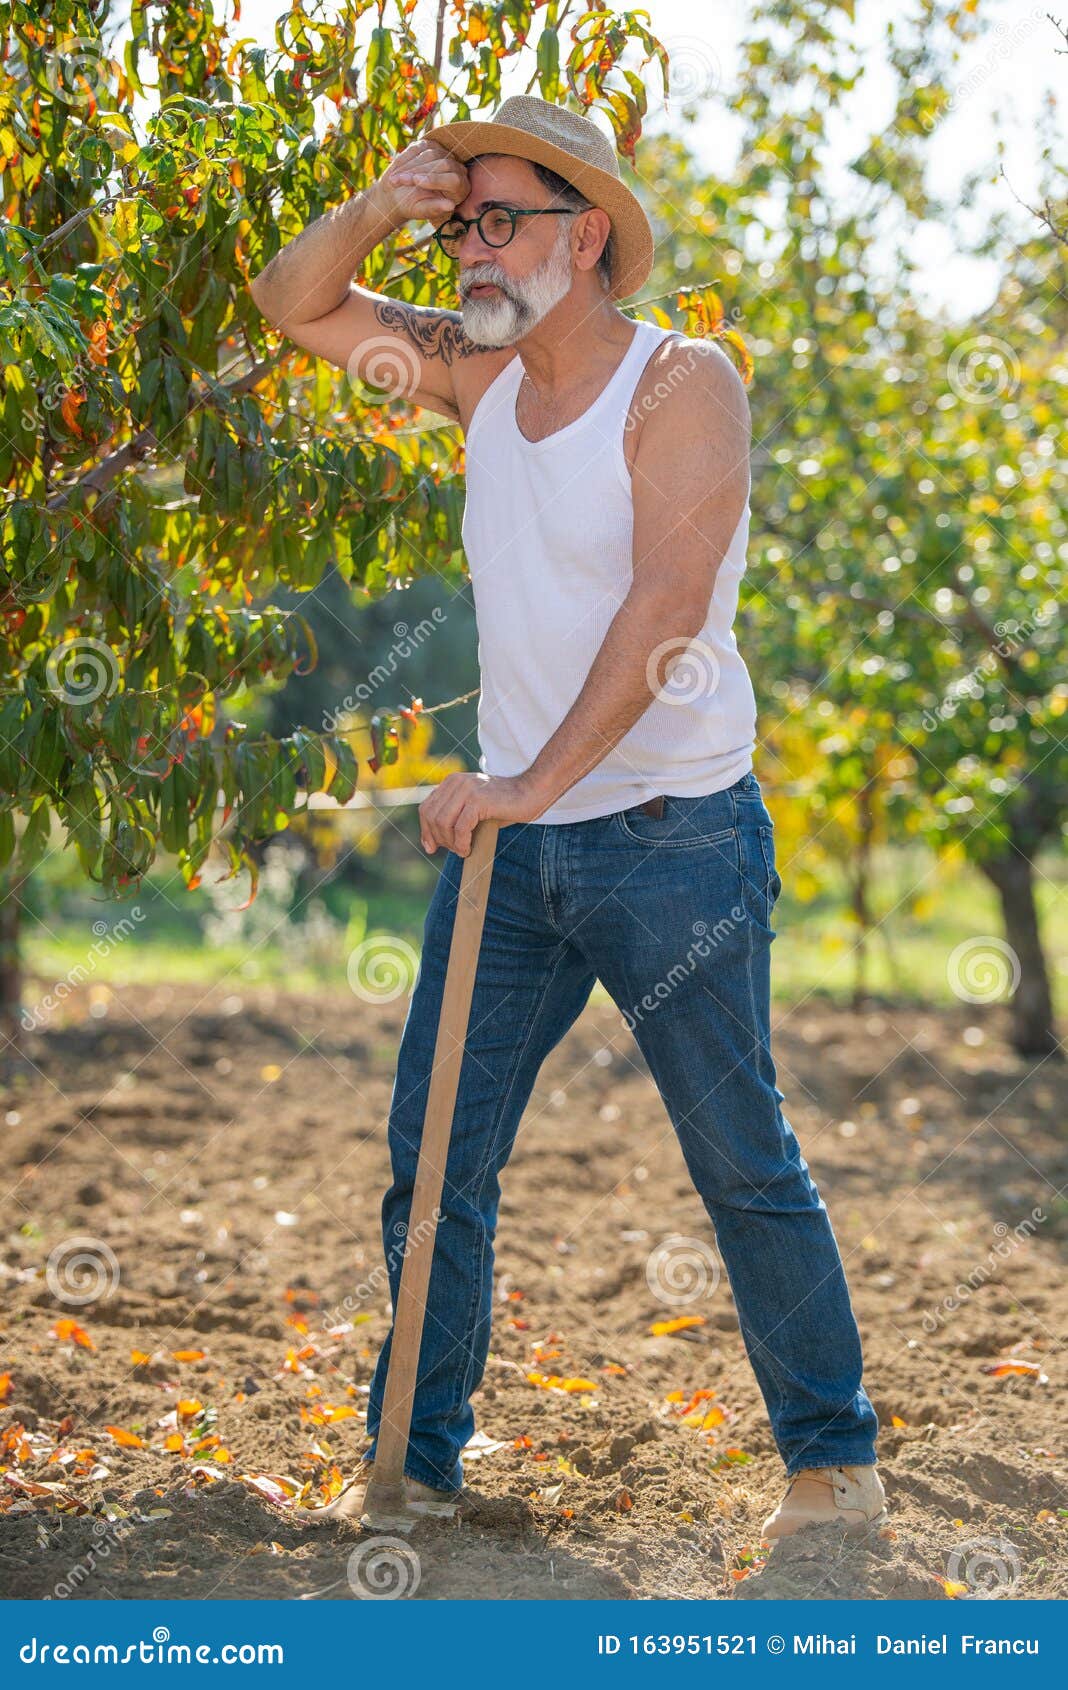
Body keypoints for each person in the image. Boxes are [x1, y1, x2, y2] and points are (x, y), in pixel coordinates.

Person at [248, 95, 885, 1544]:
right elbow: (295, 307)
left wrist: (530, 781)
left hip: (675, 837)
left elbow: (667, 609)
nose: (470, 248)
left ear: (583, 234)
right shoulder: (473, 373)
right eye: (460, 220)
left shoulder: (683, 386)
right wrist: (373, 211)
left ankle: (833, 1459)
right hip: (513, 859)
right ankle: (413, 1463)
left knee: (738, 1152)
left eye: (498, 219)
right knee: (436, 1155)